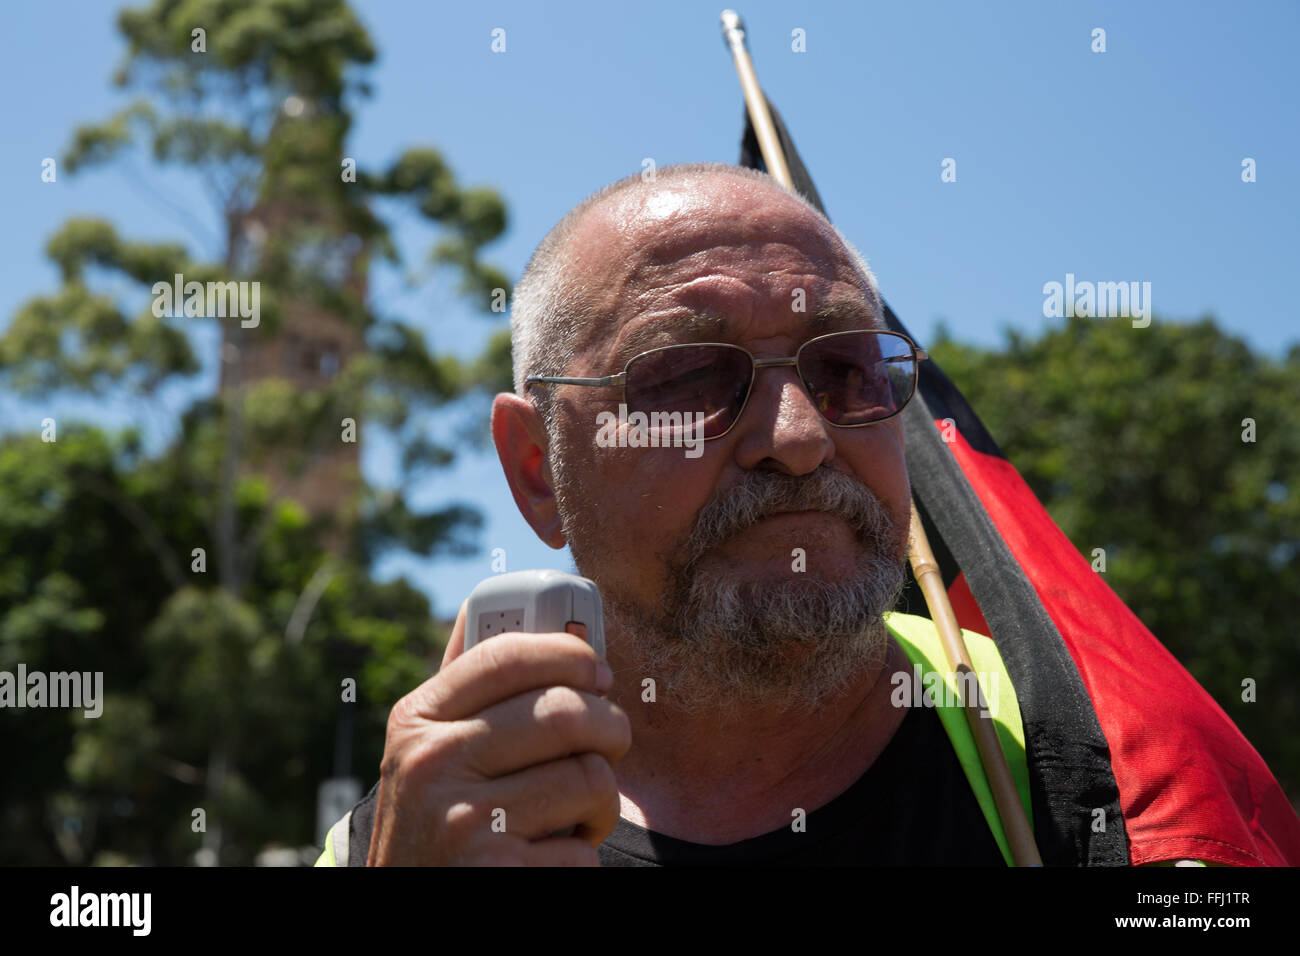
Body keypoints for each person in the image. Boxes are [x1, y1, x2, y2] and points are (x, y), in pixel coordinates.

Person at [314, 163, 1271, 866]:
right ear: (537, 470)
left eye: (848, 369)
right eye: (688, 375)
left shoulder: (1110, 757)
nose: (800, 436)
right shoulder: (418, 828)